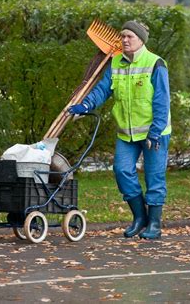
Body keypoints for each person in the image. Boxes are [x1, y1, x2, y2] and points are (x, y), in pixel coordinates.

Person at [68, 20, 171, 240]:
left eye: (129, 37)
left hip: (154, 133)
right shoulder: (116, 63)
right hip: (126, 133)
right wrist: (86, 104)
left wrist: (155, 131)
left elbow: (162, 101)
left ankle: (154, 224)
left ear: (141, 40)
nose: (124, 40)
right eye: (122, 36)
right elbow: (103, 90)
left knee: (154, 178)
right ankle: (139, 217)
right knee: (122, 171)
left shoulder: (155, 64)